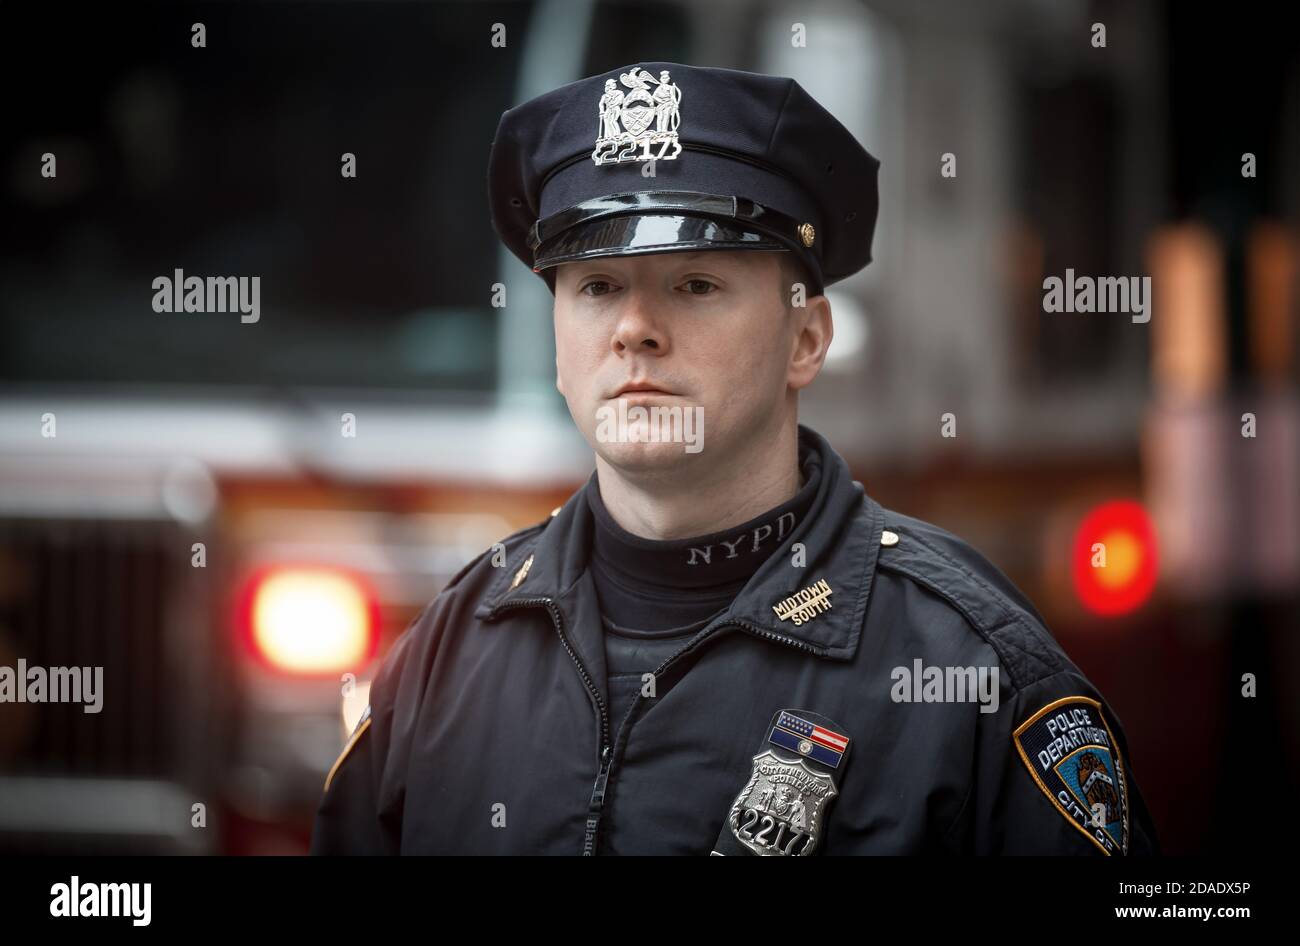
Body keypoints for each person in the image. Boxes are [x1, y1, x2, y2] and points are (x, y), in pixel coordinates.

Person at [311, 61, 1160, 856]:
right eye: (597, 286)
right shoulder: (444, 655)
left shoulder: (973, 672)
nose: (634, 328)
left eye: (696, 285)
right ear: (559, 343)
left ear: (806, 338)